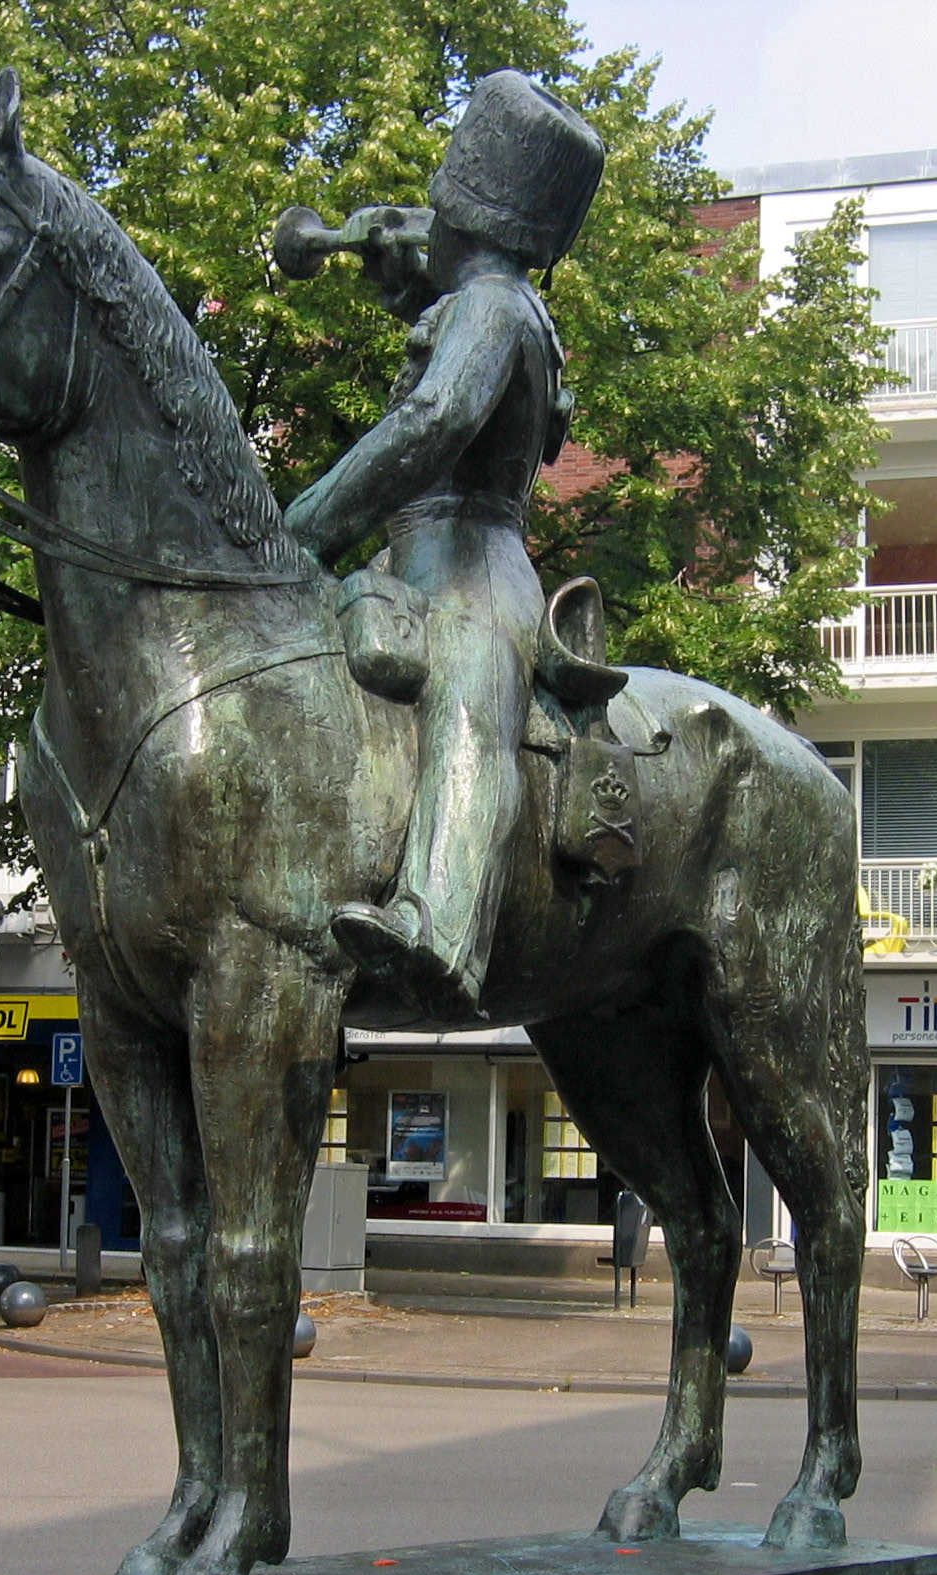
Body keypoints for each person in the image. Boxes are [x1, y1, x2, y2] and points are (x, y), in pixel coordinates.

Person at [285, 71, 605, 1019]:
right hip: (405, 566)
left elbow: (431, 422)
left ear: (466, 215)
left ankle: (441, 926)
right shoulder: (485, 300)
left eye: (437, 208)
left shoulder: (497, 310)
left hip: (475, 573)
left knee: (470, 686)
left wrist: (303, 524)